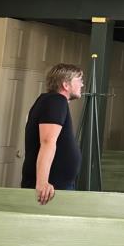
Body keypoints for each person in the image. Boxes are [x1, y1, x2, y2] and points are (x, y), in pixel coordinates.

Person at [21, 63, 84, 204]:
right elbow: (47, 141)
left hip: (56, 185)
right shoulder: (56, 101)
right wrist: (42, 182)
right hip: (50, 188)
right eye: (79, 80)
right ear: (66, 85)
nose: (82, 84)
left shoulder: (51, 101)